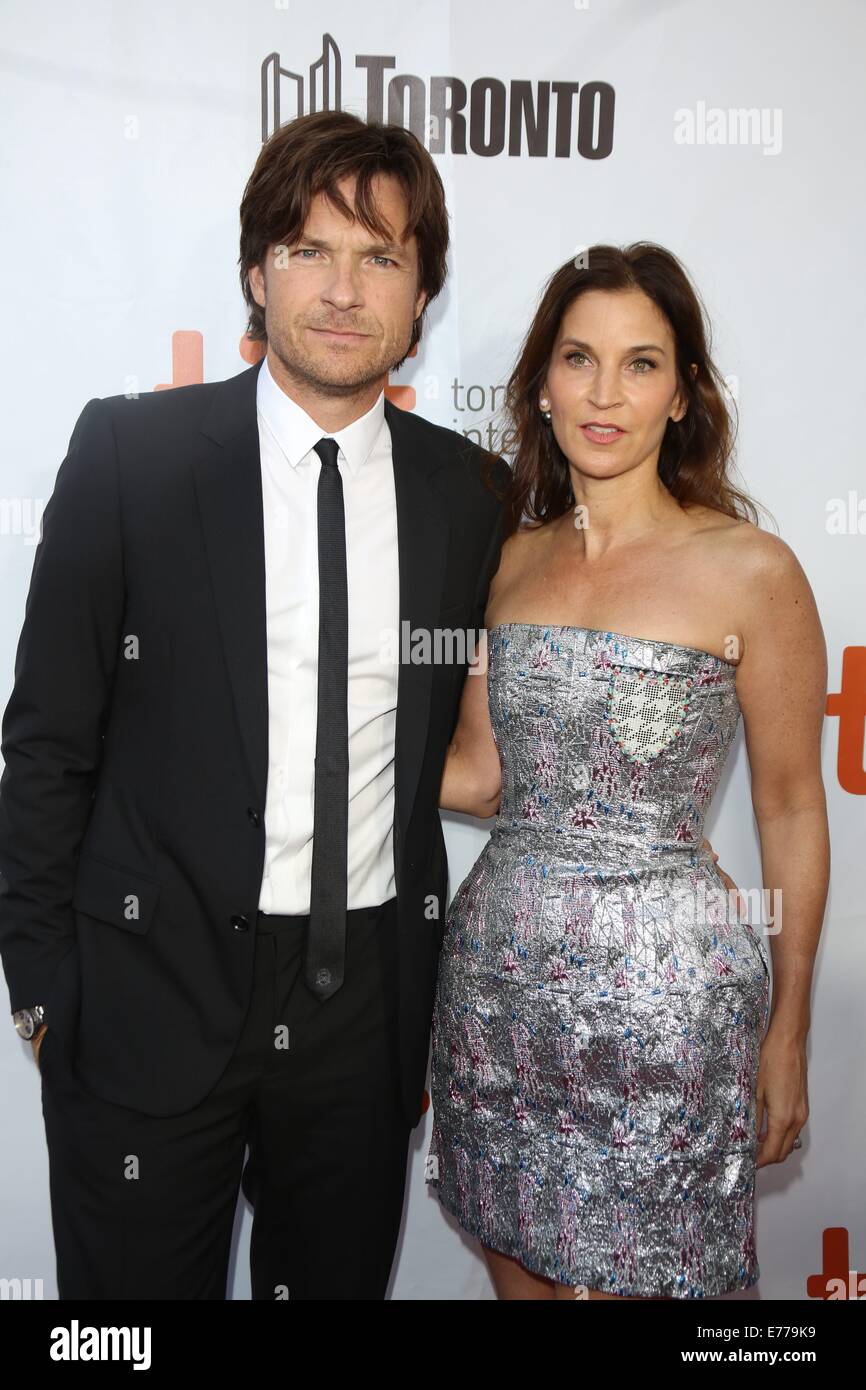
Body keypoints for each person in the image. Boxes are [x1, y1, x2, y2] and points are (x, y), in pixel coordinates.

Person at [0, 109, 511, 1300]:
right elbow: (47, 742)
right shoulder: (133, 457)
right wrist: (41, 993)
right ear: (255, 270)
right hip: (144, 995)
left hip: (361, 1012)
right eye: (309, 249)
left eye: (379, 256)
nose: (342, 289)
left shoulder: (467, 491)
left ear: (421, 293)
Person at [428, 243, 829, 1300]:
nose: (604, 393)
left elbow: (789, 806)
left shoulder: (750, 569)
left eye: (640, 363)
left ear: (683, 394)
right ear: (542, 384)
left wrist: (787, 1031)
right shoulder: (507, 560)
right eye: (578, 358)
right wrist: (313, 739)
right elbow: (473, 774)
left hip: (666, 1012)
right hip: (496, 1002)